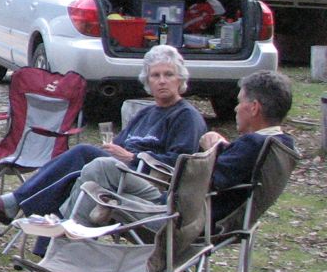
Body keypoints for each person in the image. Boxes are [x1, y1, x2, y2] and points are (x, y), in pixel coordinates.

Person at [0, 44, 207, 225]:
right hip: (118, 173)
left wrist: (132, 159)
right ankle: (49, 257)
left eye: (169, 74)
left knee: (84, 153)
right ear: (147, 81)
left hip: (150, 185)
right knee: (76, 180)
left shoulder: (186, 116)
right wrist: (116, 152)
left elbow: (183, 166)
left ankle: (16, 203)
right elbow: (120, 146)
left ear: (181, 79)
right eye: (155, 76)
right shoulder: (146, 114)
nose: (162, 81)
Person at [63, 70, 296, 228]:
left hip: (179, 219)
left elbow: (203, 180)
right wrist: (223, 148)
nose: (236, 108)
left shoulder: (253, 144)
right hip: (186, 210)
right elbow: (231, 173)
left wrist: (210, 150)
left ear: (254, 108)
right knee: (101, 167)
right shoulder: (279, 144)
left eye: (239, 101)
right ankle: (61, 252)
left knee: (94, 182)